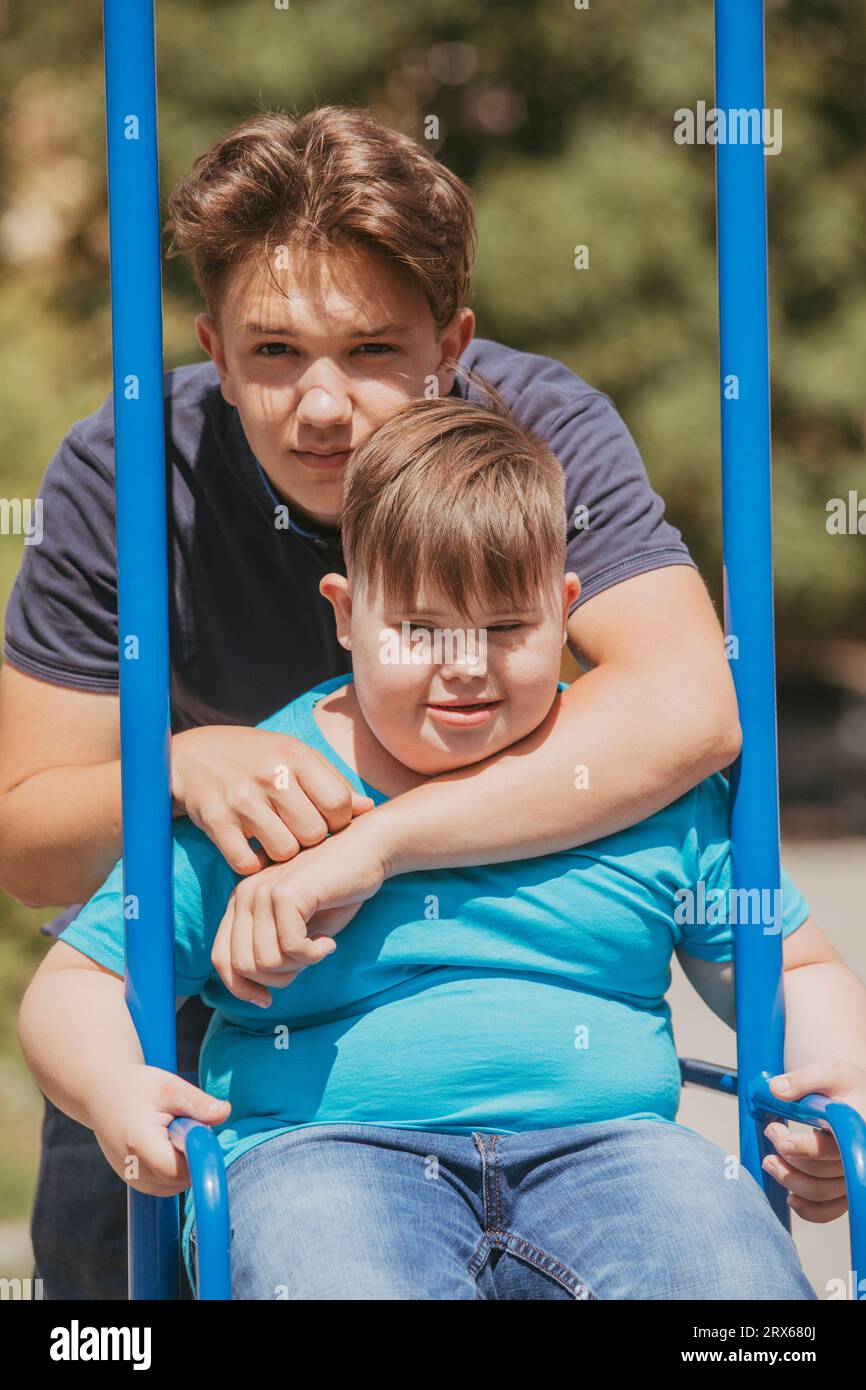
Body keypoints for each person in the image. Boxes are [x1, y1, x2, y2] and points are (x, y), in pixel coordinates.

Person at [1, 105, 741, 1299]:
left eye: (373, 351)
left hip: (513, 1003)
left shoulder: (529, 431)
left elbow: (688, 710)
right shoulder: (127, 469)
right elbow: (32, 842)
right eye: (274, 353)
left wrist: (374, 845)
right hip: (214, 985)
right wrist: (180, 766)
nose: (324, 406)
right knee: (110, 1252)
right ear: (212, 345)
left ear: (451, 344)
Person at [19, 392, 865, 1300]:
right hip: (328, 1156)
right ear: (345, 614)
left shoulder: (641, 785)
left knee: (733, 1286)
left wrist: (843, 1079)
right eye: (420, 629)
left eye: (506, 628)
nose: (466, 665)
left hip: (618, 1151)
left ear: (564, 606)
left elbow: (791, 967)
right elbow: (77, 983)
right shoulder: (278, 792)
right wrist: (115, 1089)